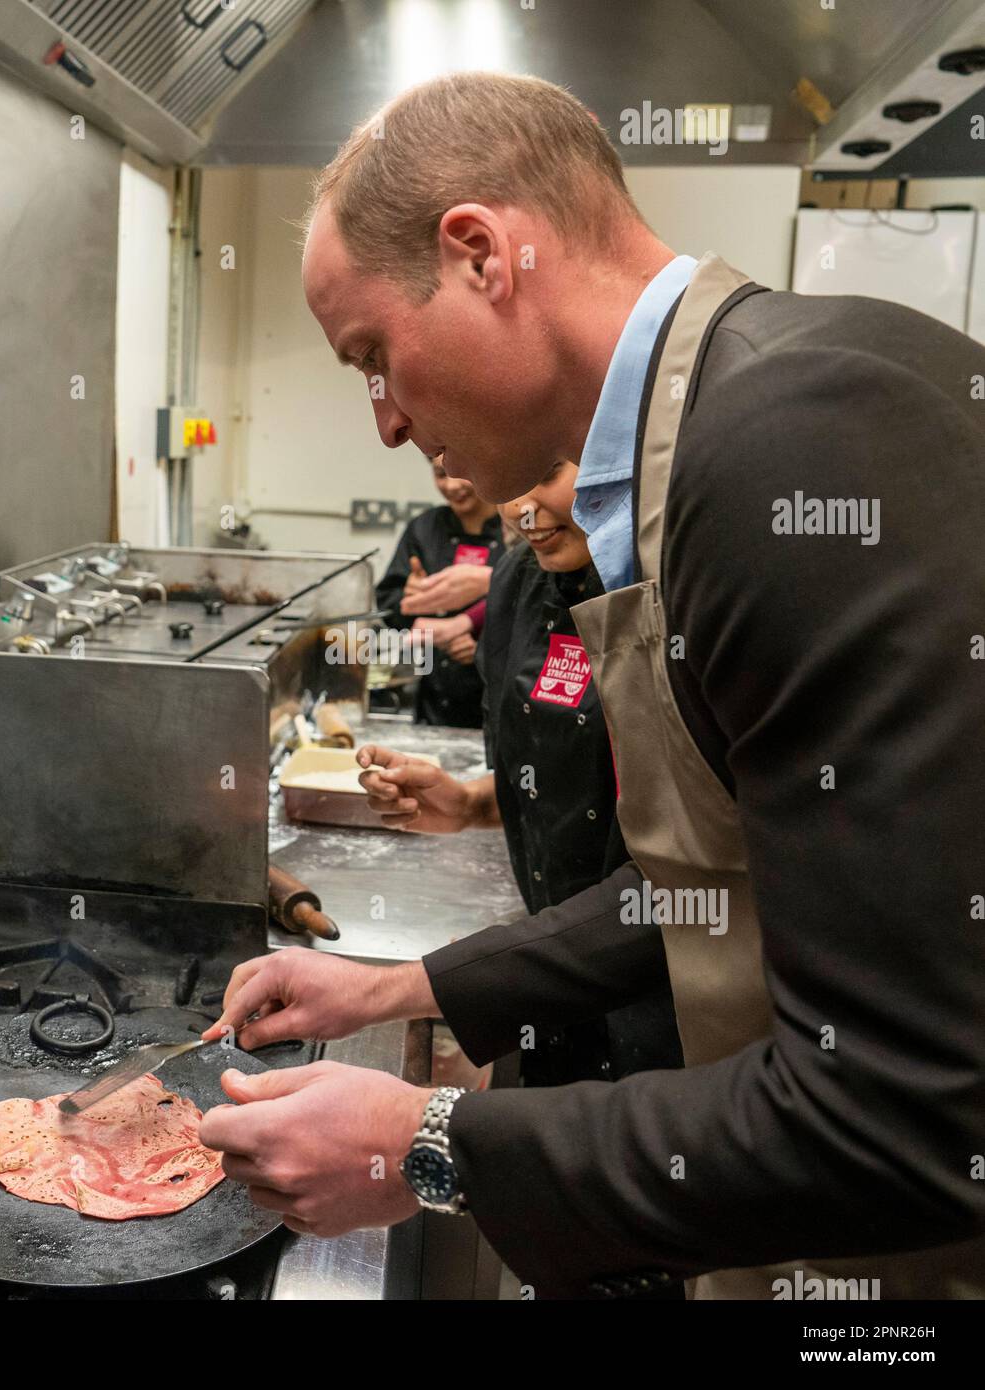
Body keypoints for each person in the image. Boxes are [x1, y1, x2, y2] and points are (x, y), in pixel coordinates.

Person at [200, 72, 985, 1299]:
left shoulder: (795, 441)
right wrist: (407, 986)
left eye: (373, 358)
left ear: (478, 254)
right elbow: (713, 888)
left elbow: (917, 1123)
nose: (387, 424)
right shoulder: (720, 427)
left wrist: (430, 1145)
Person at [359, 458, 681, 1084]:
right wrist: (473, 804)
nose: (521, 508)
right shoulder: (519, 581)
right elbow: (559, 772)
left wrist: (386, 992)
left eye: (549, 471)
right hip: (551, 974)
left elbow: (684, 861)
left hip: (668, 999)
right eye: (511, 481)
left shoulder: (674, 595)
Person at [374, 451, 503, 726]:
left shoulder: (515, 530)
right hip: (435, 702)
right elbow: (390, 605)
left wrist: (485, 647)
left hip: (499, 703)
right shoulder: (424, 529)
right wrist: (412, 600)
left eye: (461, 473)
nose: (452, 486)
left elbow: (534, 608)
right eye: (441, 474)